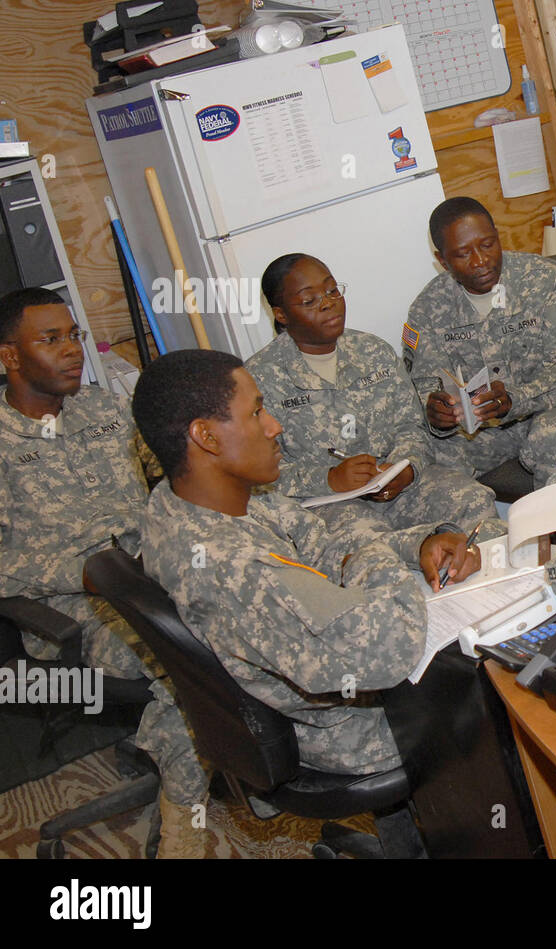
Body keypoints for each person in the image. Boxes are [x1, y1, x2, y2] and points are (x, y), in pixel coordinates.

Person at [133, 348, 487, 780]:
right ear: (206, 437)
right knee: (499, 685)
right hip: (353, 726)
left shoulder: (187, 501)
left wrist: (419, 543)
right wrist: (379, 560)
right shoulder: (234, 567)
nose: (274, 427)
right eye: (257, 412)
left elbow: (321, 540)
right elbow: (388, 649)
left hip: (331, 679)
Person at [0, 287, 206, 856]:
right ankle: (186, 821)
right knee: (188, 657)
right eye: (51, 340)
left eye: (74, 336)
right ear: (10, 356)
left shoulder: (108, 409)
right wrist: (89, 570)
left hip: (158, 571)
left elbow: (175, 475)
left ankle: (259, 768)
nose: (71, 351)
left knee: (249, 610)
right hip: (77, 608)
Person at [246, 253, 501, 534]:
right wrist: (329, 478)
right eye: (309, 301)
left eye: (332, 291)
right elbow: (256, 473)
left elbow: (411, 427)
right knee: (371, 546)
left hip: (397, 488)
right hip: (328, 504)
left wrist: (405, 468)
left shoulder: (373, 352)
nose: (328, 303)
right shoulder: (258, 379)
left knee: (474, 500)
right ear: (281, 314)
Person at [404, 197, 556, 483]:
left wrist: (516, 399)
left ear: (498, 237)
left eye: (487, 244)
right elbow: (424, 385)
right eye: (463, 254)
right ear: (442, 261)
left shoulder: (547, 281)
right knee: (432, 458)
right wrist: (436, 413)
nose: (481, 261)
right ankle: (485, 527)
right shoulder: (428, 308)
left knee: (551, 436)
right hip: (481, 432)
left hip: (549, 412)